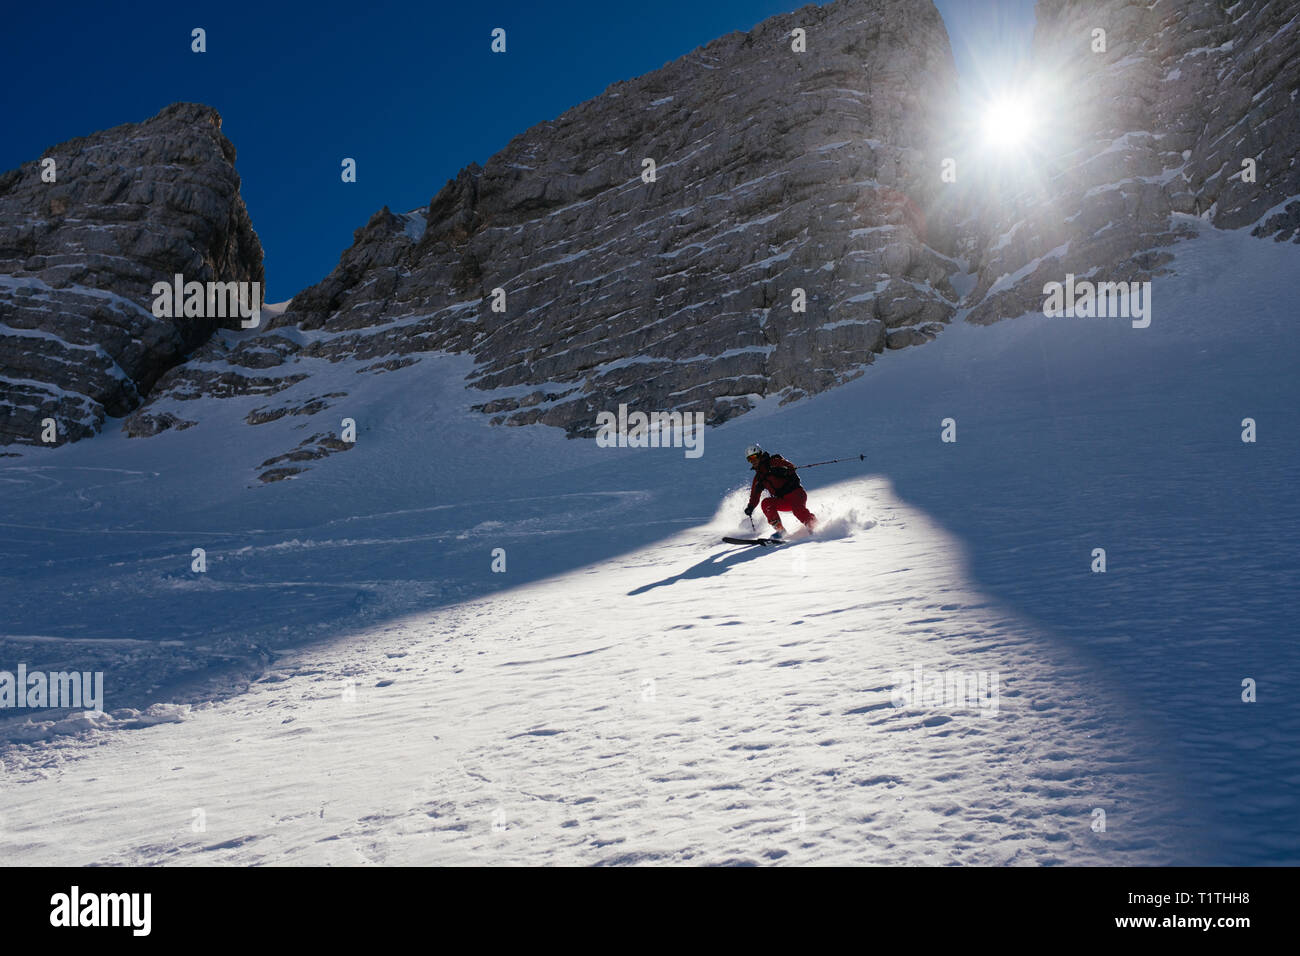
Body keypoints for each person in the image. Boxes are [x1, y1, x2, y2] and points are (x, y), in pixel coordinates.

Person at [743, 443, 816, 540]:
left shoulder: (773, 462)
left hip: (796, 494)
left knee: (798, 510)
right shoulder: (759, 477)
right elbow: (754, 495)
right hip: (783, 500)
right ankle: (780, 531)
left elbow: (790, 466)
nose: (753, 461)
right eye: (749, 459)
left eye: (754, 457)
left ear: (760, 454)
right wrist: (751, 506)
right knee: (766, 503)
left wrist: (782, 470)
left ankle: (814, 526)